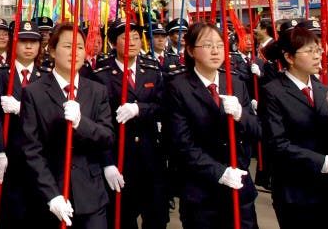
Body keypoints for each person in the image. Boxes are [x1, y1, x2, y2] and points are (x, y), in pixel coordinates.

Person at [165, 21, 260, 229]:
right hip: (201, 192)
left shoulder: (236, 83)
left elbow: (258, 130)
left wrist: (241, 115)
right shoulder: (178, 88)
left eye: (220, 45)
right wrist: (220, 173)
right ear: (190, 50)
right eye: (207, 45)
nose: (216, 51)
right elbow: (181, 145)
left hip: (239, 185)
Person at [21, 22, 114, 228]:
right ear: (52, 51)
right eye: (68, 46)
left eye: (80, 47)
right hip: (51, 195)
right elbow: (31, 149)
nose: (75, 53)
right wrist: (52, 195)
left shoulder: (97, 91)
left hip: (91, 195)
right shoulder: (34, 93)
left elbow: (107, 137)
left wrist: (82, 123)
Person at [90, 20, 167, 229]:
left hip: (150, 154)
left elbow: (163, 106)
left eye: (135, 37)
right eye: (125, 38)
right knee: (122, 216)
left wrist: (139, 109)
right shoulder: (102, 76)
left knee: (156, 215)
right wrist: (107, 162)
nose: (132, 42)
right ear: (113, 44)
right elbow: (97, 122)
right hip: (119, 154)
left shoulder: (151, 70)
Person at [259, 26, 328, 228]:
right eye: (309, 51)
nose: (317, 56)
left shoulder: (322, 88)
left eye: (318, 50)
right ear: (289, 57)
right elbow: (277, 144)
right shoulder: (273, 92)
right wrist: (323, 162)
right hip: (296, 191)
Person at [0, 19, 44, 226]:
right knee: (8, 214)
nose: (28, 47)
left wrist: (21, 108)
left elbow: (48, 115)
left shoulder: (45, 77)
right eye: (23, 41)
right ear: (14, 43)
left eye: (33, 42)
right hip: (10, 154)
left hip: (39, 155)